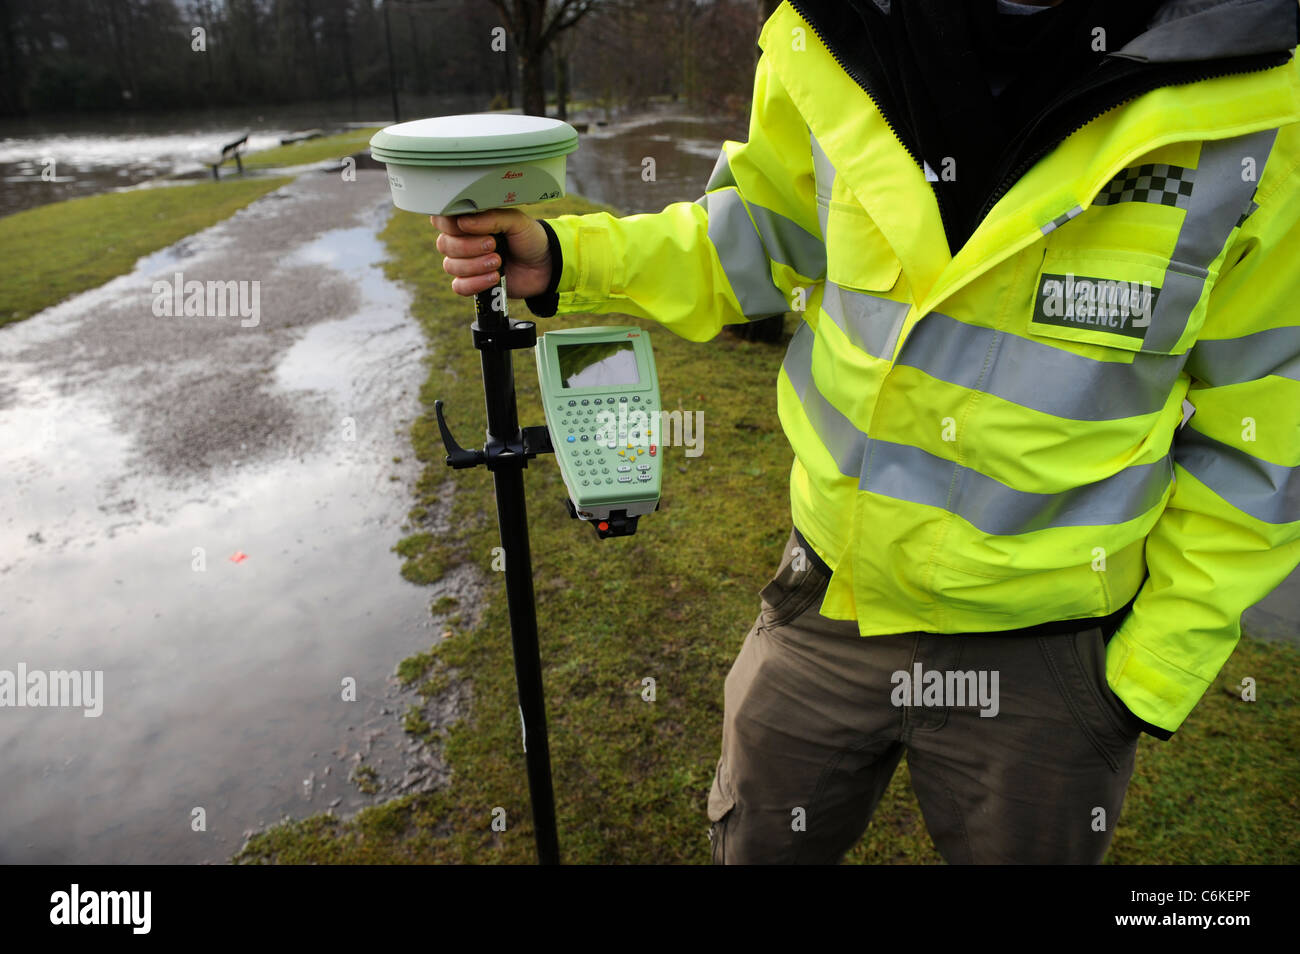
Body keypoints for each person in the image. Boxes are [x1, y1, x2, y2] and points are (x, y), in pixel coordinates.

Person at [433, 0, 1300, 864]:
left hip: (1051, 658)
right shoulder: (834, 29)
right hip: (823, 608)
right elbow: (756, 234)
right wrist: (564, 256)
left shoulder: (1258, 98)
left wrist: (1148, 673)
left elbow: (1265, 433)